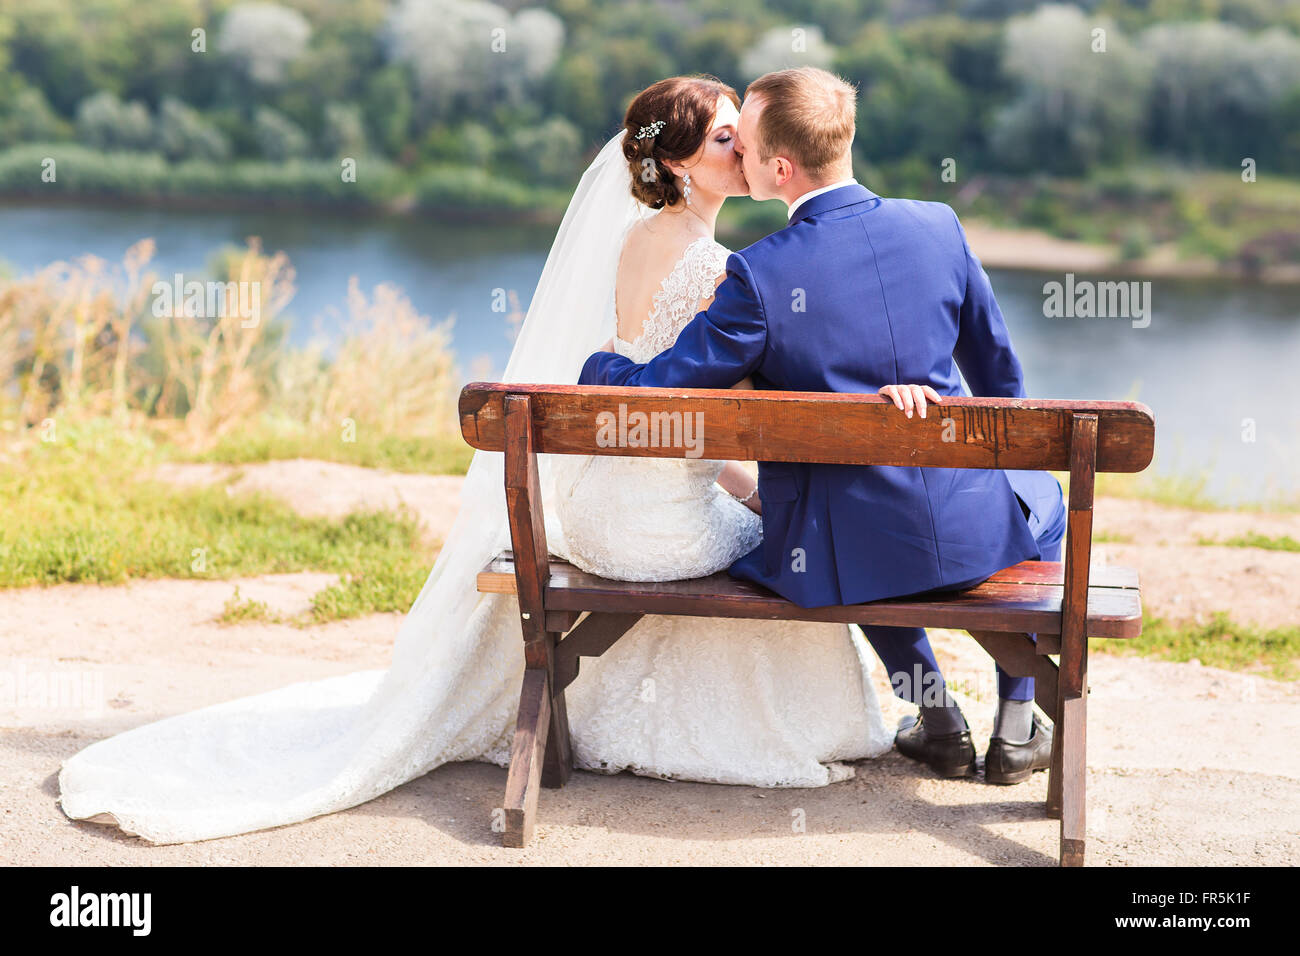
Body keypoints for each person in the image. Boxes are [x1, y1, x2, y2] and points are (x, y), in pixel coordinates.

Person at [56, 74, 893, 846]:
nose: (740, 150)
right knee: (780, 540)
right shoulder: (719, 271)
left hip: (597, 513)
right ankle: (794, 724)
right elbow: (707, 429)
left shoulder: (637, 239)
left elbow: (652, 417)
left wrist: (724, 481)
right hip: (652, 530)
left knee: (744, 514)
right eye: (721, 139)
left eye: (738, 138)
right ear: (675, 162)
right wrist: (761, 484)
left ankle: (625, 718)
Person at [579, 66, 1070, 786]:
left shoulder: (758, 276)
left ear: (778, 168)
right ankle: (1020, 721)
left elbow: (665, 387)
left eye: (740, 141)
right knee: (1042, 506)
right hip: (972, 531)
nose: (735, 155)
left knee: (847, 521)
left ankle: (936, 719)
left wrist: (602, 369)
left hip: (840, 551)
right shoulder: (939, 226)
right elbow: (1003, 384)